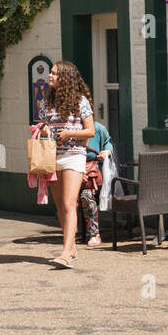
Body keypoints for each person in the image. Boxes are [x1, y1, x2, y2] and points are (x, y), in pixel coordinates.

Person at [37, 60, 95, 268]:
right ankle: (71, 247)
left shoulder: (80, 101)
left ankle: (65, 253)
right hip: (53, 156)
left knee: (70, 203)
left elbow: (91, 131)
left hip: (73, 155)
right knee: (61, 206)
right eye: (50, 72)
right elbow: (45, 125)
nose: (50, 76)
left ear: (65, 78)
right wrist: (43, 129)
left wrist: (70, 133)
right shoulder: (46, 102)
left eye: (54, 73)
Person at [79, 119, 113, 247]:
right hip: (73, 172)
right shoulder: (69, 129)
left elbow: (108, 143)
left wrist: (107, 152)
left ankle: (94, 234)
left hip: (93, 174)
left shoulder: (97, 128)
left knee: (86, 196)